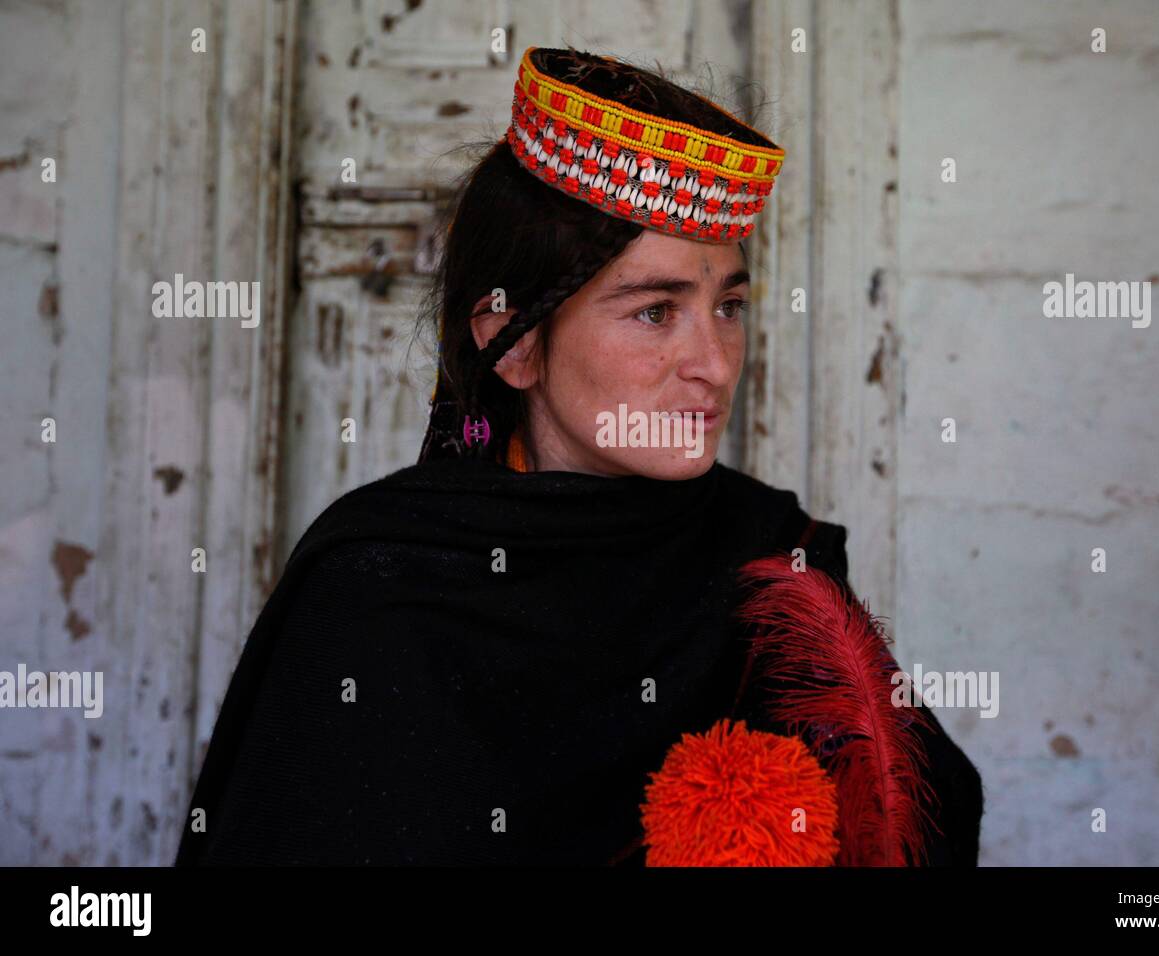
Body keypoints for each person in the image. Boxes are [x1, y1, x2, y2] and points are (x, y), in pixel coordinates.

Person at [175, 45, 983, 866]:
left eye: (729, 306)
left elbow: (920, 811)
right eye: (655, 312)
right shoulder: (381, 587)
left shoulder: (773, 563)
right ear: (514, 345)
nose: (714, 361)